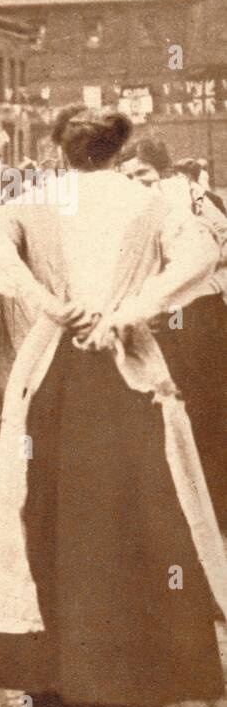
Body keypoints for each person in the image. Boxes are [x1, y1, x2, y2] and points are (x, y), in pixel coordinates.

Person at [0, 107, 227, 707]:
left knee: (48, 509)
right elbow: (200, 259)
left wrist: (48, 303)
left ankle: (52, 672)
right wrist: (130, 312)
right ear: (120, 148)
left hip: (55, 370)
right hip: (125, 370)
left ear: (57, 149)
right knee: (138, 512)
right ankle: (136, 675)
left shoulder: (34, 199)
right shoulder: (153, 202)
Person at [120, 138, 227, 530]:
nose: (137, 182)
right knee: (180, 404)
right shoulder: (157, 200)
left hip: (196, 313)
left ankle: (210, 505)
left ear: (161, 170)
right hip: (172, 313)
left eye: (142, 173)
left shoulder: (183, 198)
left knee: (202, 404)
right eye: (129, 175)